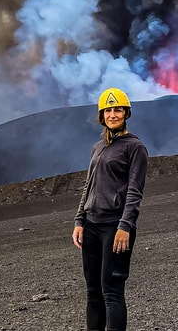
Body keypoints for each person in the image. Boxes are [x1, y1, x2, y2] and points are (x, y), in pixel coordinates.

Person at [71, 87, 149, 331]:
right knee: (93, 290)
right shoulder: (97, 147)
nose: (113, 114)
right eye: (108, 110)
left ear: (126, 113)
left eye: (118, 110)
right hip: (91, 226)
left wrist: (125, 226)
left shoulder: (135, 147)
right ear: (101, 115)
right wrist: (79, 220)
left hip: (115, 228)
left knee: (112, 291)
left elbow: (135, 191)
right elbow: (89, 185)